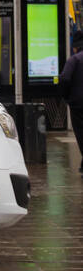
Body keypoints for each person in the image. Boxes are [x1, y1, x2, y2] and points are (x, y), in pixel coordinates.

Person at [58, 29, 83, 172]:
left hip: (78, 104)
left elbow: (65, 79)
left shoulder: (74, 60)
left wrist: (66, 97)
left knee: (80, 133)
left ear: (75, 46)